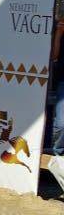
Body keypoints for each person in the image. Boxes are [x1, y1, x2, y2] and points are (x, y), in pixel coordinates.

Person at [47, 19, 64, 189]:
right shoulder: (60, 27)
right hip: (63, 83)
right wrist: (58, 34)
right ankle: (58, 157)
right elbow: (53, 56)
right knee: (61, 124)